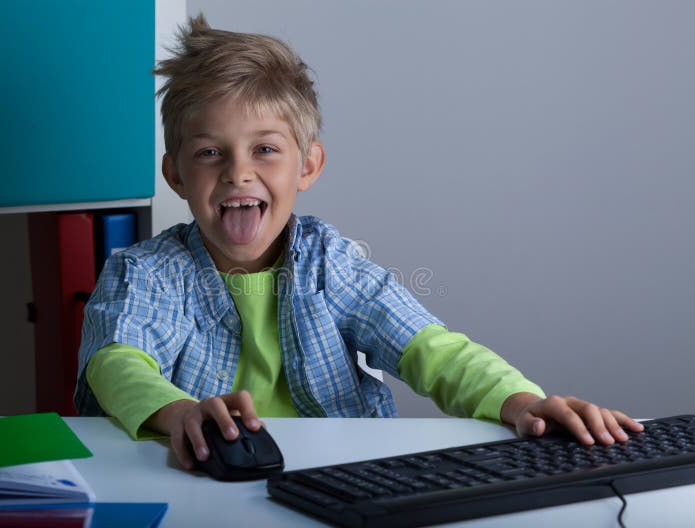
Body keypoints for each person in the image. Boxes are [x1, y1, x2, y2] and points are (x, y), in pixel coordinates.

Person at [75, 14, 643, 471]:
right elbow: (118, 361)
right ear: (176, 175)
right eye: (209, 153)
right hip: (202, 481)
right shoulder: (146, 272)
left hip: (339, 476)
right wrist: (179, 414)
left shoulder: (330, 262)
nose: (238, 173)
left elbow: (429, 349)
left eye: (265, 149)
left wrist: (522, 402)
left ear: (307, 166)